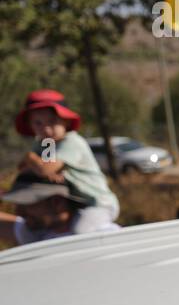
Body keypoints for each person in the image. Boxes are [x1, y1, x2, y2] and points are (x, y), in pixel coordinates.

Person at [13, 89, 119, 229]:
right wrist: (42, 168)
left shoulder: (71, 142)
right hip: (77, 205)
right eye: (38, 123)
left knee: (81, 231)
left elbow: (43, 169)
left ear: (66, 121)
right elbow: (26, 170)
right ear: (30, 126)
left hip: (99, 203)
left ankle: (114, 235)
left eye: (52, 121)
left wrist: (30, 157)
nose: (46, 129)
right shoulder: (47, 144)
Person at [0, 172, 122, 244]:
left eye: (27, 204)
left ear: (57, 202)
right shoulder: (36, 233)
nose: (19, 212)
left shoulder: (104, 236)